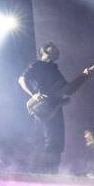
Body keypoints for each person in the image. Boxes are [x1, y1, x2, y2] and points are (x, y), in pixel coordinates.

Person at [19, 42, 67, 173]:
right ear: (45, 50)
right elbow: (22, 79)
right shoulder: (37, 65)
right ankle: (45, 173)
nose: (57, 48)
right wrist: (33, 95)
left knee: (57, 139)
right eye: (53, 46)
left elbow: (65, 88)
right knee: (47, 138)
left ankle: (54, 171)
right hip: (43, 108)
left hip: (55, 108)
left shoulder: (55, 69)